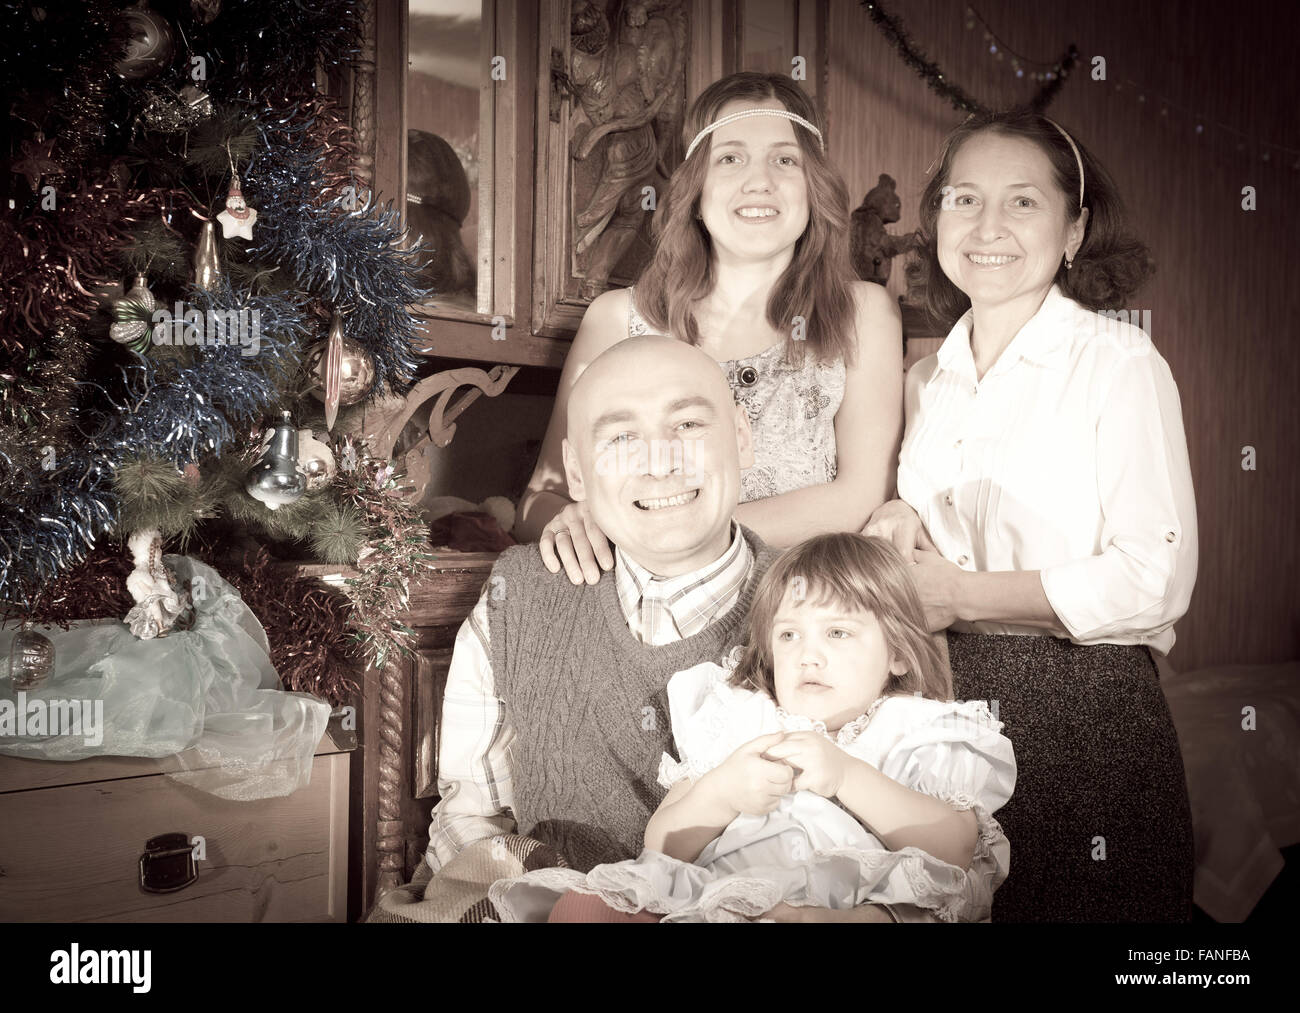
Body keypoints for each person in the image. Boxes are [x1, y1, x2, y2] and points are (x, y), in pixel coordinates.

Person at [866, 109, 1197, 921]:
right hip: (946, 706)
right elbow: (949, 512)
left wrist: (961, 597)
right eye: (964, 199)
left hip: (1084, 709)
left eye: (1022, 203)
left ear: (1074, 230)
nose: (987, 226)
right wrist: (899, 512)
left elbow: (1154, 577)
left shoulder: (1117, 362)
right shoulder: (926, 379)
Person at [487, 533, 1015, 922]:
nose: (809, 655)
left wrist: (846, 776)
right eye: (788, 635)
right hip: (728, 898)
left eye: (837, 632)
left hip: (850, 905)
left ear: (898, 653)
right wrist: (722, 791)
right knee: (583, 909)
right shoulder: (743, 717)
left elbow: (954, 848)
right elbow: (662, 845)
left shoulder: (917, 729)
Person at [515, 71, 903, 584]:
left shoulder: (864, 313)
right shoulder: (616, 319)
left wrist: (666, 533)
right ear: (695, 190)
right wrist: (565, 521)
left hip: (803, 628)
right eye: (730, 158)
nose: (759, 181)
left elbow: (862, 498)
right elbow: (540, 499)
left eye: (785, 160)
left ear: (814, 189)